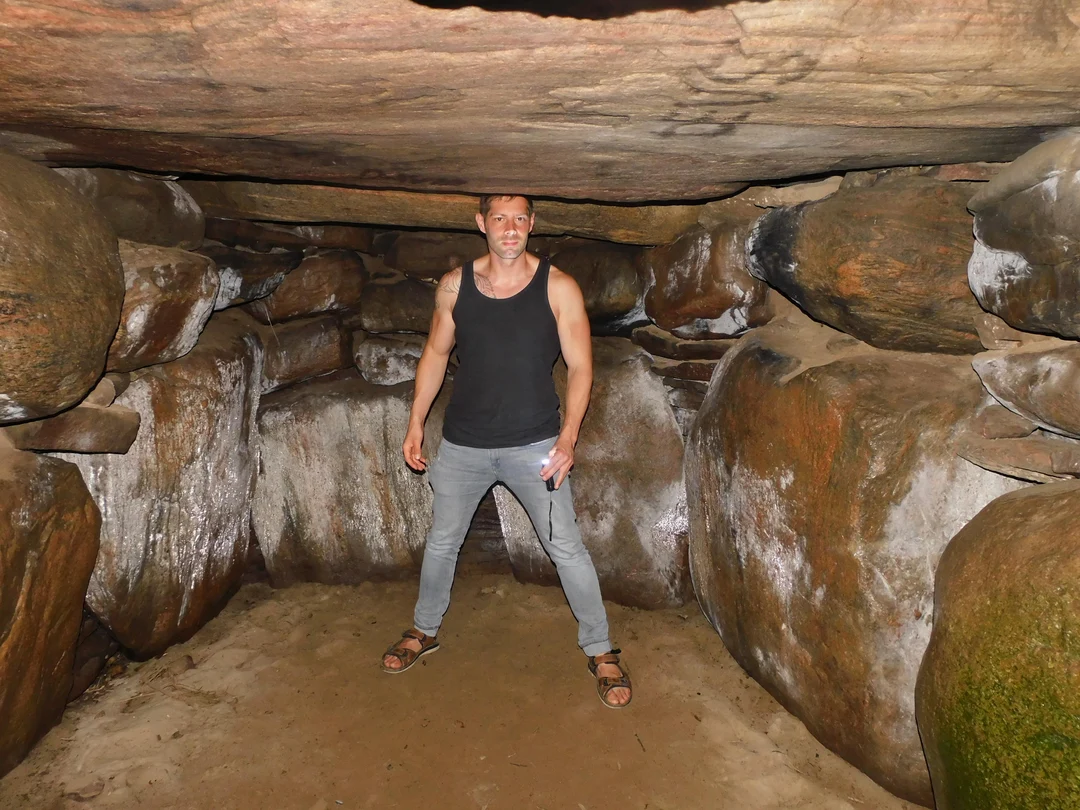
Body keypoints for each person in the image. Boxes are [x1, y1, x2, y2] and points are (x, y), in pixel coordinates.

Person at [379, 194, 632, 709]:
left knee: (566, 547)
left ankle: (601, 650)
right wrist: (414, 422)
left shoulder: (558, 287)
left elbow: (581, 366)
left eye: (520, 218)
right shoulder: (455, 285)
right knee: (442, 542)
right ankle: (424, 630)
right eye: (500, 218)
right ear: (482, 224)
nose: (510, 228)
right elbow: (435, 353)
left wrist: (568, 438)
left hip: (535, 443)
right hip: (462, 444)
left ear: (532, 224)